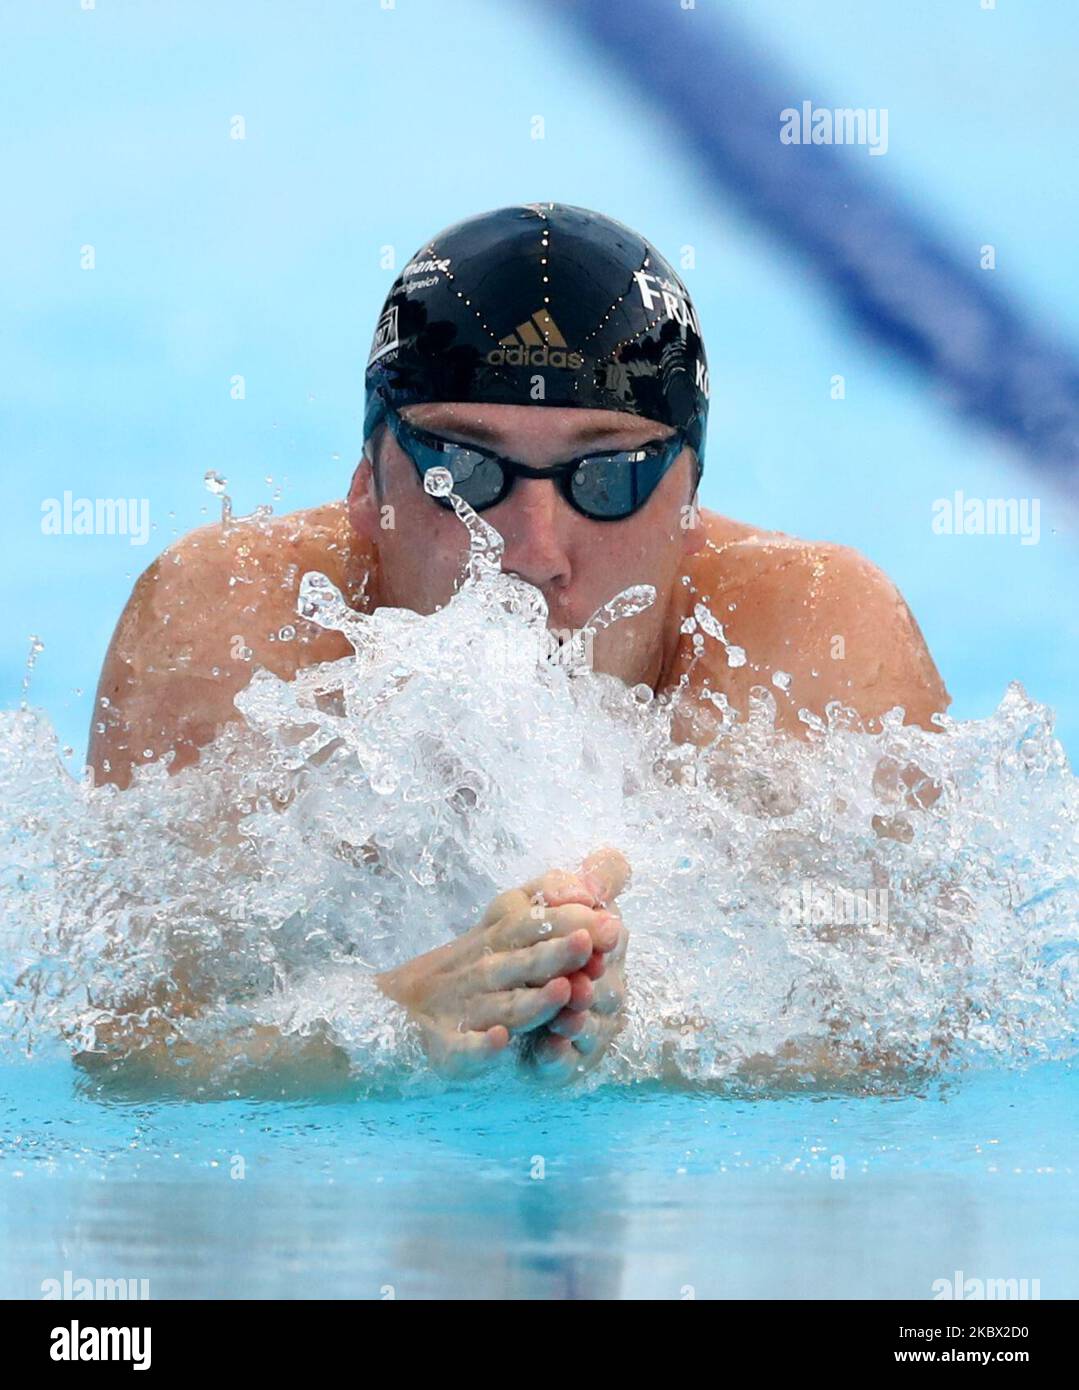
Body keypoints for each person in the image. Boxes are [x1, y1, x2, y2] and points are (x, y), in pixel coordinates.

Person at [88, 203, 949, 1083]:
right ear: (366, 483)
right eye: (460, 470)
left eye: (607, 475)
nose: (532, 553)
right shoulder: (236, 627)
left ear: (689, 497)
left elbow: (918, 1057)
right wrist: (392, 1025)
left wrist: (640, 1029)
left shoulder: (814, 642)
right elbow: (127, 1058)